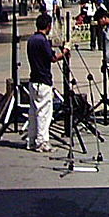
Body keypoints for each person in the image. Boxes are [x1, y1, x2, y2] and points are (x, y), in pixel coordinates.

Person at [26, 13, 69, 152]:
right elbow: (53, 58)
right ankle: (42, 142)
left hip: (33, 80)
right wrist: (65, 51)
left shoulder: (31, 40)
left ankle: (31, 140)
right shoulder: (42, 41)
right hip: (43, 80)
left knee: (33, 113)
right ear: (48, 26)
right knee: (44, 113)